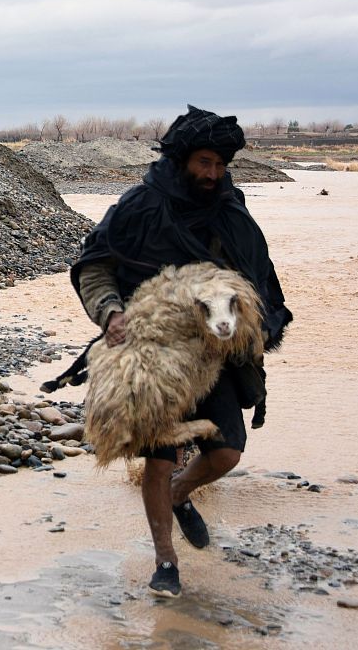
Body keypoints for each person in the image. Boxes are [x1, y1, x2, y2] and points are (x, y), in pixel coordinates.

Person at [70, 105, 292, 599]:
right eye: (204, 163)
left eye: (219, 164)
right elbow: (94, 267)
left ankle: (179, 494)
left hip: (216, 358)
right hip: (152, 358)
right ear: (182, 160)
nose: (212, 174)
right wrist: (110, 313)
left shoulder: (232, 210)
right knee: (158, 457)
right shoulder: (140, 206)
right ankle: (165, 561)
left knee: (228, 452)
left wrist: (262, 325)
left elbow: (261, 277)